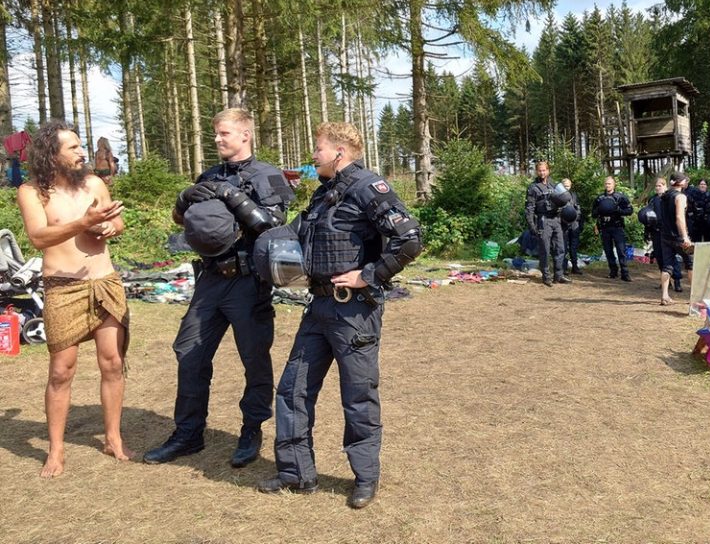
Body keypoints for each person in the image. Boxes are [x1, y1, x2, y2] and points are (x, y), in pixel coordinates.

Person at [257, 121, 422, 510]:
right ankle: (296, 472)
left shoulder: (368, 187)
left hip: (354, 312)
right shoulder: (322, 195)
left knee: (358, 396)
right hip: (318, 308)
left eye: (318, 150)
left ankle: (365, 478)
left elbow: (409, 238)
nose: (313, 157)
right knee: (293, 389)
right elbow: (297, 239)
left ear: (339, 152)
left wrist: (369, 276)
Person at [145, 108, 295, 467]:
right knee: (189, 353)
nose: (217, 139)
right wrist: (183, 199)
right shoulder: (208, 175)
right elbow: (184, 218)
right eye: (215, 133)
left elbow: (273, 225)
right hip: (210, 280)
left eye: (224, 133)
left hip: (247, 281)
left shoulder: (269, 175)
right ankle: (188, 433)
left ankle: (251, 430)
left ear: (245, 134)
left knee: (254, 359)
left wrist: (231, 196)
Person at [16, 119, 130, 477]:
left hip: (105, 282)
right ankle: (56, 450)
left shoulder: (95, 183)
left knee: (112, 363)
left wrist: (111, 226)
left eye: (82, 146)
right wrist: (83, 223)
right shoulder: (32, 192)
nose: (83, 153)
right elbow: (38, 237)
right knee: (61, 372)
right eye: (74, 148)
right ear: (52, 154)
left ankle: (113, 437)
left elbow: (117, 222)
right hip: (63, 288)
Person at [525, 161, 568, 286]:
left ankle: (558, 275)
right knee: (545, 250)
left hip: (556, 220)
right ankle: (546, 276)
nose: (542, 172)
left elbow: (564, 199)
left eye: (544, 170)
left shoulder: (554, 185)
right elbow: (529, 209)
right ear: (537, 172)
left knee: (560, 248)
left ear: (548, 171)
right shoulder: (533, 188)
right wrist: (532, 226)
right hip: (543, 221)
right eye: (540, 170)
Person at [660, 172, 693, 305]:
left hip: (665, 235)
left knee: (667, 266)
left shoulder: (664, 196)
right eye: (685, 181)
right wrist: (685, 236)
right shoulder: (680, 197)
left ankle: (664, 296)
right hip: (678, 237)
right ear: (681, 182)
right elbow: (679, 217)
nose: (687, 183)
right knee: (691, 264)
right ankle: (694, 296)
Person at [592, 175, 633, 281]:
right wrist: (599, 211)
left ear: (614, 185)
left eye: (609, 183)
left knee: (621, 250)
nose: (607, 185)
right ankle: (613, 271)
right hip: (605, 227)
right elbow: (593, 213)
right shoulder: (600, 198)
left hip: (617, 227)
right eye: (606, 183)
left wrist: (619, 210)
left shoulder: (620, 197)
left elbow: (629, 210)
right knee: (608, 250)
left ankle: (625, 273)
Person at [560, 178, 584, 274]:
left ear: (571, 186)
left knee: (574, 246)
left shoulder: (574, 195)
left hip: (574, 224)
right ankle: (564, 268)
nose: (566, 188)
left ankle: (575, 266)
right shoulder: (558, 196)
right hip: (563, 224)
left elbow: (578, 209)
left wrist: (575, 218)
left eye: (568, 186)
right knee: (564, 247)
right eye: (564, 186)